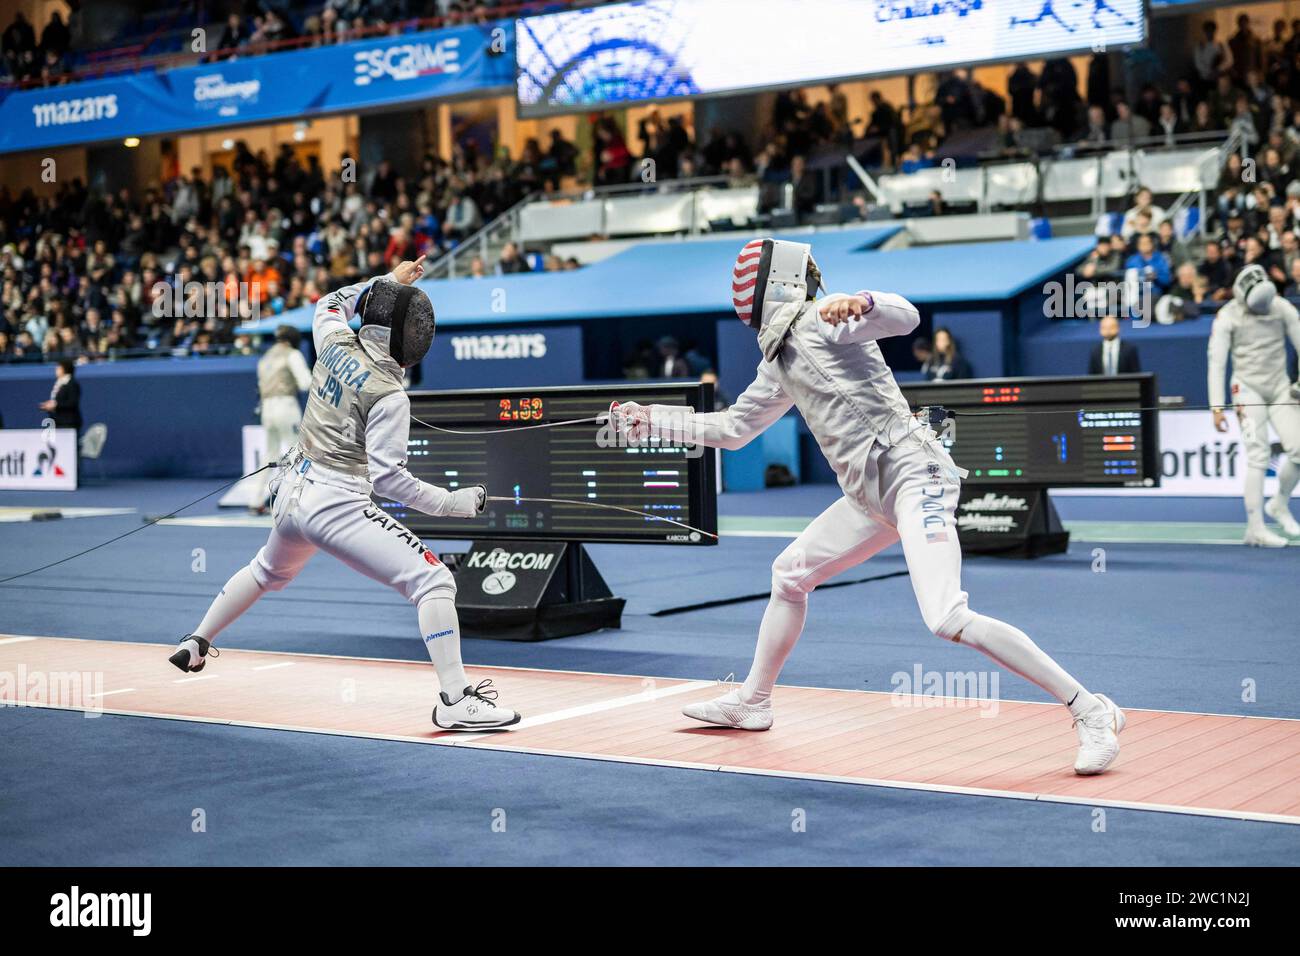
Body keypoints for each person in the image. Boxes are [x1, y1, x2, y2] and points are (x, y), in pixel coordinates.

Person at [611, 238, 1126, 775]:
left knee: (946, 616)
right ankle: (754, 701)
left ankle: (1091, 710)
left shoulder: (826, 319)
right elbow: (734, 429)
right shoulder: (781, 359)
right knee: (789, 574)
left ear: (771, 282)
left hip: (914, 476)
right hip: (867, 496)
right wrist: (651, 419)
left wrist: (864, 302)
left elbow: (907, 317)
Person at [169, 256, 520, 730]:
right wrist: (452, 503)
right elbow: (389, 480)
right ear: (410, 341)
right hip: (334, 502)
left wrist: (386, 283)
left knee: (267, 571)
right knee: (434, 581)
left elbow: (330, 301)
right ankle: (455, 699)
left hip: (290, 493)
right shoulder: (390, 396)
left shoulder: (332, 341)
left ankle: (197, 641)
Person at [1208, 264, 1300, 547]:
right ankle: (1255, 528)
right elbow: (1217, 362)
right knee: (1258, 455)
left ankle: (1279, 504)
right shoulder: (1226, 317)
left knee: (1299, 449)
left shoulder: (1282, 307)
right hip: (1247, 388)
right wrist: (1216, 406)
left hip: (1279, 386)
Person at [250, 324, 313, 514]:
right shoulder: (292, 354)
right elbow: (305, 383)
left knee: (269, 454)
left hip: (267, 408)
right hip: (286, 406)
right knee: (298, 453)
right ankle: (297, 501)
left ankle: (255, 501)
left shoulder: (265, 357)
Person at [38, 358, 82, 434]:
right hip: (58, 421)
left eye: (58, 368)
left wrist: (55, 405)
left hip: (68, 423)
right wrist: (50, 405)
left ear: (64, 369)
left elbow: (72, 403)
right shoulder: (60, 383)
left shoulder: (72, 384)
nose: (56, 370)